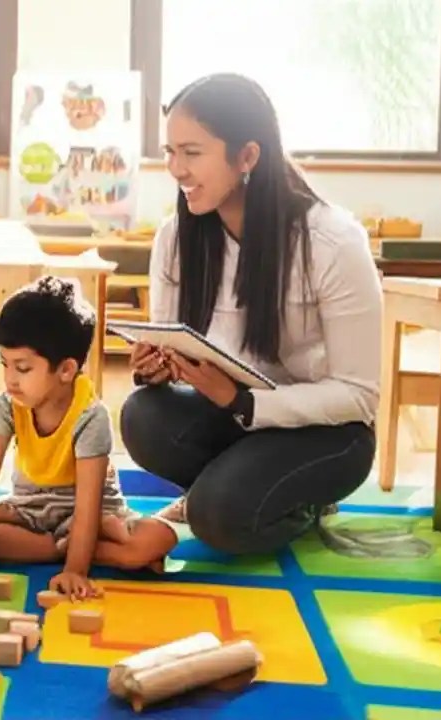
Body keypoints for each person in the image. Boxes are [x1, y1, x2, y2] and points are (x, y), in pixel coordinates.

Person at [115, 72, 381, 565]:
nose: (176, 168)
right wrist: (155, 365)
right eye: (170, 152)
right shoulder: (177, 239)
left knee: (218, 517)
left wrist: (243, 402)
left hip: (328, 431)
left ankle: (296, 502)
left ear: (247, 157)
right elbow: (172, 341)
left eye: (192, 153)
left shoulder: (332, 241)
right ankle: (242, 487)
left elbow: (358, 395)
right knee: (142, 415)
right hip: (234, 415)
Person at [0, 275, 137, 599]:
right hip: (31, 514)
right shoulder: (8, 406)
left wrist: (75, 570)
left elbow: (88, 507)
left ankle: (77, 548)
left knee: (154, 543)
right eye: (4, 364)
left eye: (22, 368)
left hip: (89, 514)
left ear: (65, 370)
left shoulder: (91, 417)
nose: (9, 380)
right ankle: (58, 548)